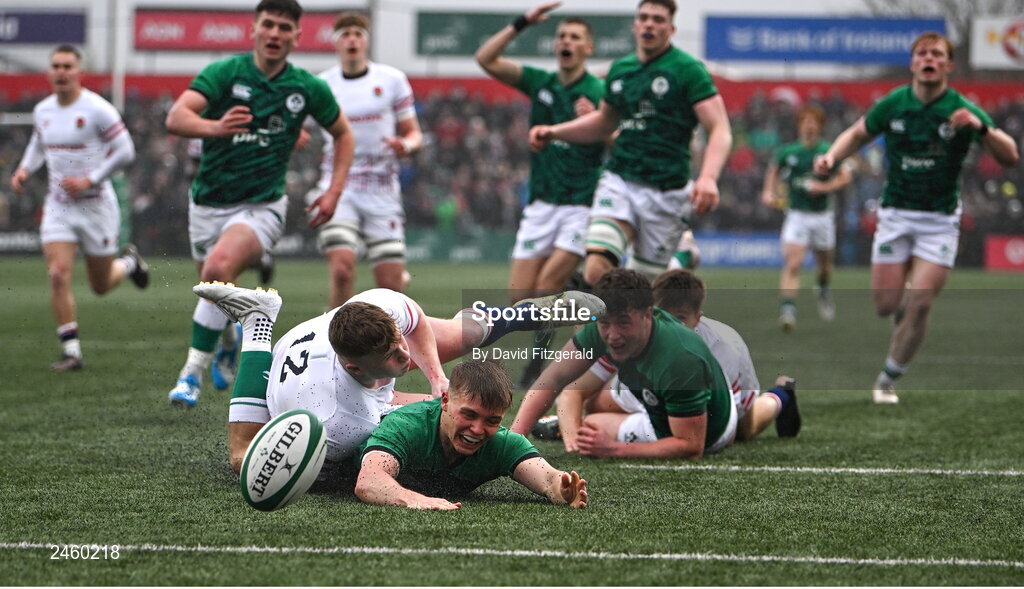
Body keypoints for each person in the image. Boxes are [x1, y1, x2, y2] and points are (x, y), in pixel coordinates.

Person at [192, 282, 604, 473]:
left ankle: (530, 311)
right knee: (242, 458)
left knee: (466, 335)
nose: (403, 353)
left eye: (397, 342)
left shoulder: (376, 307)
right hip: (287, 393)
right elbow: (407, 424)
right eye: (391, 356)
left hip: (329, 357)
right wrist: (442, 402)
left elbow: (417, 322)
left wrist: (437, 376)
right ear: (356, 367)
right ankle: (258, 320)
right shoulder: (339, 420)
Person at [164, 0, 356, 409]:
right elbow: (177, 118)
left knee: (216, 271)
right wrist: (215, 127)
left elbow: (344, 134)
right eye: (268, 24)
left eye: (284, 28)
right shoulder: (224, 73)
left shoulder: (305, 87)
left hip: (262, 206)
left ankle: (190, 374)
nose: (274, 33)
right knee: (213, 288)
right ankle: (229, 342)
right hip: (206, 203)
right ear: (253, 29)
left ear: (296, 36)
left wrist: (334, 190)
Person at [814, 32, 1018, 404]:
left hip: (939, 220)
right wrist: (831, 157)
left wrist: (981, 127)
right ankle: (901, 307)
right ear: (912, 63)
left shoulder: (962, 108)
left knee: (922, 301)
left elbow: (1010, 156)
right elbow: (857, 134)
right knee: (885, 306)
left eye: (937, 54)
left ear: (948, 65)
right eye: (922, 53)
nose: (929, 58)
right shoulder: (894, 104)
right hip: (895, 216)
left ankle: (887, 378)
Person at [528, 0, 732, 285]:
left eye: (658, 20)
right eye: (644, 18)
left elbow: (719, 127)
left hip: (667, 191)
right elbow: (603, 122)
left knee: (648, 285)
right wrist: (554, 131)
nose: (649, 24)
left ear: (671, 29)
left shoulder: (688, 70)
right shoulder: (621, 70)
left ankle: (681, 256)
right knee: (596, 269)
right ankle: (590, 331)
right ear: (635, 25)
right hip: (620, 180)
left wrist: (708, 177)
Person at [475, 2, 606, 387]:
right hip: (541, 206)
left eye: (575, 37)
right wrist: (523, 23)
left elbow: (620, 140)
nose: (566, 41)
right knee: (518, 303)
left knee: (546, 289)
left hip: (580, 205)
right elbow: (485, 58)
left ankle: (537, 367)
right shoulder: (542, 82)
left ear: (589, 48)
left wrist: (595, 120)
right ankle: (580, 287)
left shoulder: (598, 91)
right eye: (562, 36)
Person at [533, 269, 801, 448]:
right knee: (595, 403)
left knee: (744, 431)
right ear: (649, 314)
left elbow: (704, 431)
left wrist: (621, 444)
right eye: (664, 315)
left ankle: (781, 395)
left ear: (699, 317)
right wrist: (574, 440)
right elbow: (573, 390)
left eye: (681, 318)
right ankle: (567, 423)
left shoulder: (722, 349)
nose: (671, 324)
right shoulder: (636, 333)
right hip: (654, 390)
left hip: (719, 403)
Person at [9, 44, 148, 372]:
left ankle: (128, 263)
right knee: (57, 274)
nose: (61, 71)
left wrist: (91, 179)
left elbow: (126, 150)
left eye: (67, 66)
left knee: (100, 285)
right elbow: (37, 144)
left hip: (96, 206)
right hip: (59, 208)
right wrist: (24, 170)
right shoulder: (43, 111)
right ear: (49, 71)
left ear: (78, 72)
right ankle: (72, 351)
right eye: (55, 65)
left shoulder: (98, 109)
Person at [512, 268, 735, 459]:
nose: (612, 335)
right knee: (589, 416)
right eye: (605, 323)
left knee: (591, 430)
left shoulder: (681, 359)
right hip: (651, 392)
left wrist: (614, 449)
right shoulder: (601, 327)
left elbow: (690, 446)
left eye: (624, 323)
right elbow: (552, 379)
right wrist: (513, 442)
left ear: (648, 315)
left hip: (709, 432)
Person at [355, 359, 588, 510]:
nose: (477, 430)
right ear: (445, 401)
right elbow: (369, 481)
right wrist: (414, 499)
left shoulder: (503, 443)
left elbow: (549, 479)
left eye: (492, 420)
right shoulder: (406, 426)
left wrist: (563, 490)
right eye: (468, 415)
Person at [309, 11, 423, 308]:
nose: (352, 40)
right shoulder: (323, 85)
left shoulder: (392, 80)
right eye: (345, 34)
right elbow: (302, 125)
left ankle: (393, 337)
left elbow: (414, 133)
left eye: (358, 34)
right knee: (342, 269)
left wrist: (406, 145)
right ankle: (332, 341)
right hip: (339, 187)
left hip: (381, 190)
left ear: (366, 42)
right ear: (336, 43)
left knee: (390, 287)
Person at [762, 105, 852, 332]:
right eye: (805, 121)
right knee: (793, 263)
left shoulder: (827, 151)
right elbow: (773, 170)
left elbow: (845, 177)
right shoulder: (788, 151)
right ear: (799, 124)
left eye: (814, 121)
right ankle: (788, 310)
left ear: (820, 126)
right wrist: (768, 192)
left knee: (824, 266)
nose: (809, 125)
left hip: (822, 215)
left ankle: (822, 289)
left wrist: (823, 187)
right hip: (797, 214)